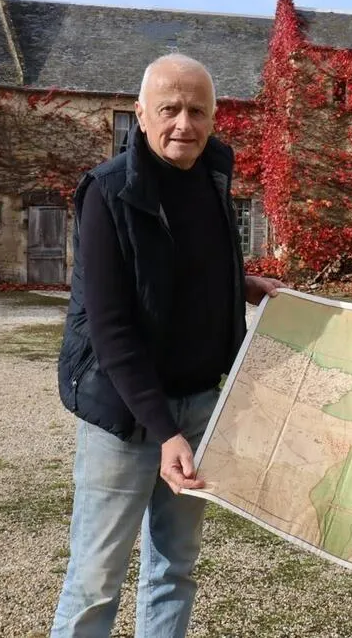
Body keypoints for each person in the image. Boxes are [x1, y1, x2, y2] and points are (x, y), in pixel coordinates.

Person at [51, 53, 283, 637]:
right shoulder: (107, 194)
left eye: (197, 111)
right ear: (140, 114)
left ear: (213, 117)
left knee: (174, 571)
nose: (185, 123)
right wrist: (164, 431)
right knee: (95, 579)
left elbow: (186, 268)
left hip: (200, 406)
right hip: (125, 417)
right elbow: (112, 328)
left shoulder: (212, 179)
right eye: (170, 109)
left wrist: (246, 284)